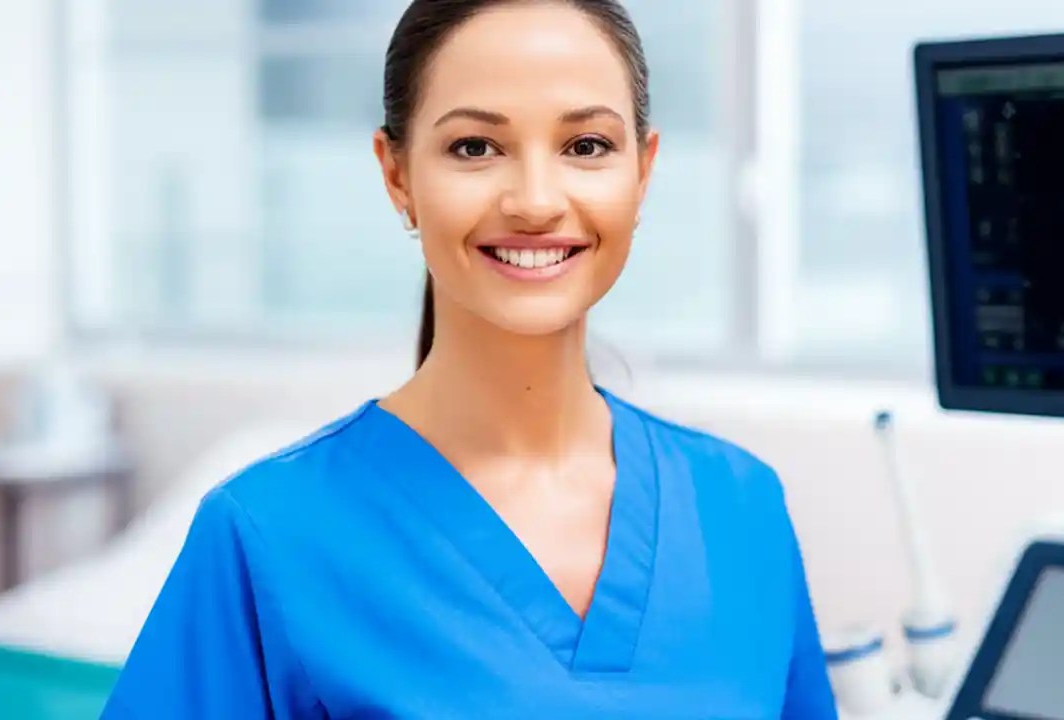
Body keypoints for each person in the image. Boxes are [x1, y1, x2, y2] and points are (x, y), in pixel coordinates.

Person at [100, 0, 838, 717]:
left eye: (586, 146)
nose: (536, 202)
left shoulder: (742, 507)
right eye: (475, 148)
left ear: (642, 172)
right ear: (397, 174)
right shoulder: (266, 534)